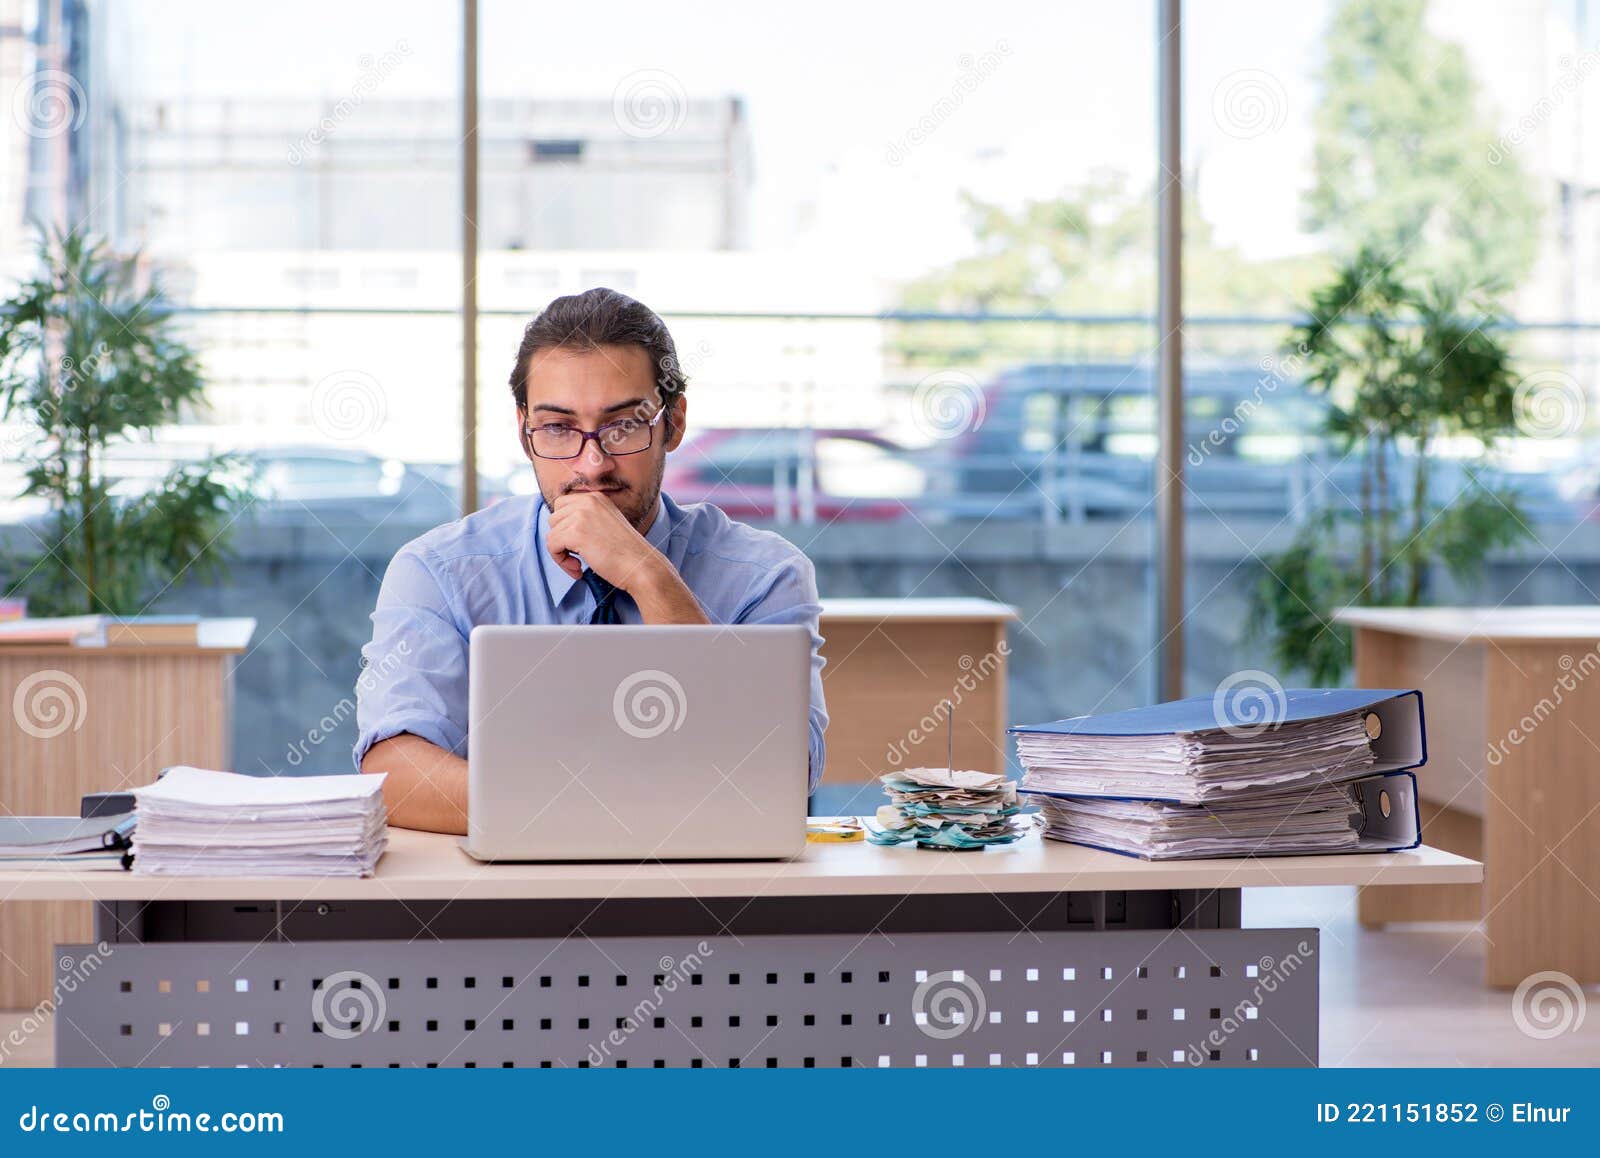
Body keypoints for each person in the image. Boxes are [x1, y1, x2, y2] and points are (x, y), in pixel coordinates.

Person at [354, 287, 828, 833]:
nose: (592, 463)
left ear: (672, 424)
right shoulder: (439, 571)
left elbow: (781, 776)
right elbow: (396, 772)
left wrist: (650, 577)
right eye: (558, 428)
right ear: (524, 432)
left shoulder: (766, 577)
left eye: (623, 425)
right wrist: (603, 807)